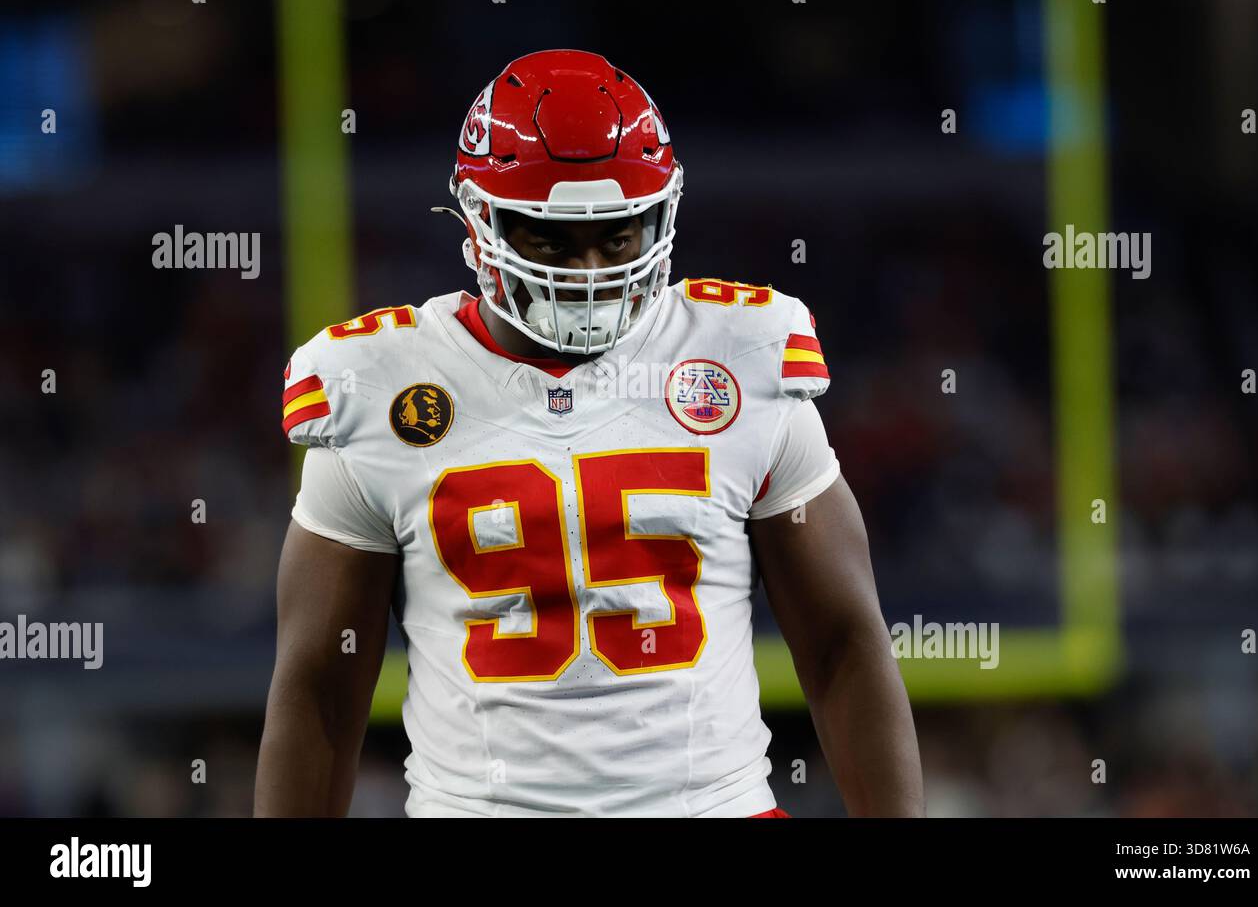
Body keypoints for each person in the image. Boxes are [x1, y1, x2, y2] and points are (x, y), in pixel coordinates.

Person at [254, 49, 923, 817]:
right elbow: (318, 687)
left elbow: (843, 639)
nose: (591, 270)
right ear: (481, 220)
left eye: (619, 234)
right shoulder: (378, 385)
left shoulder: (741, 354)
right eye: (551, 239)